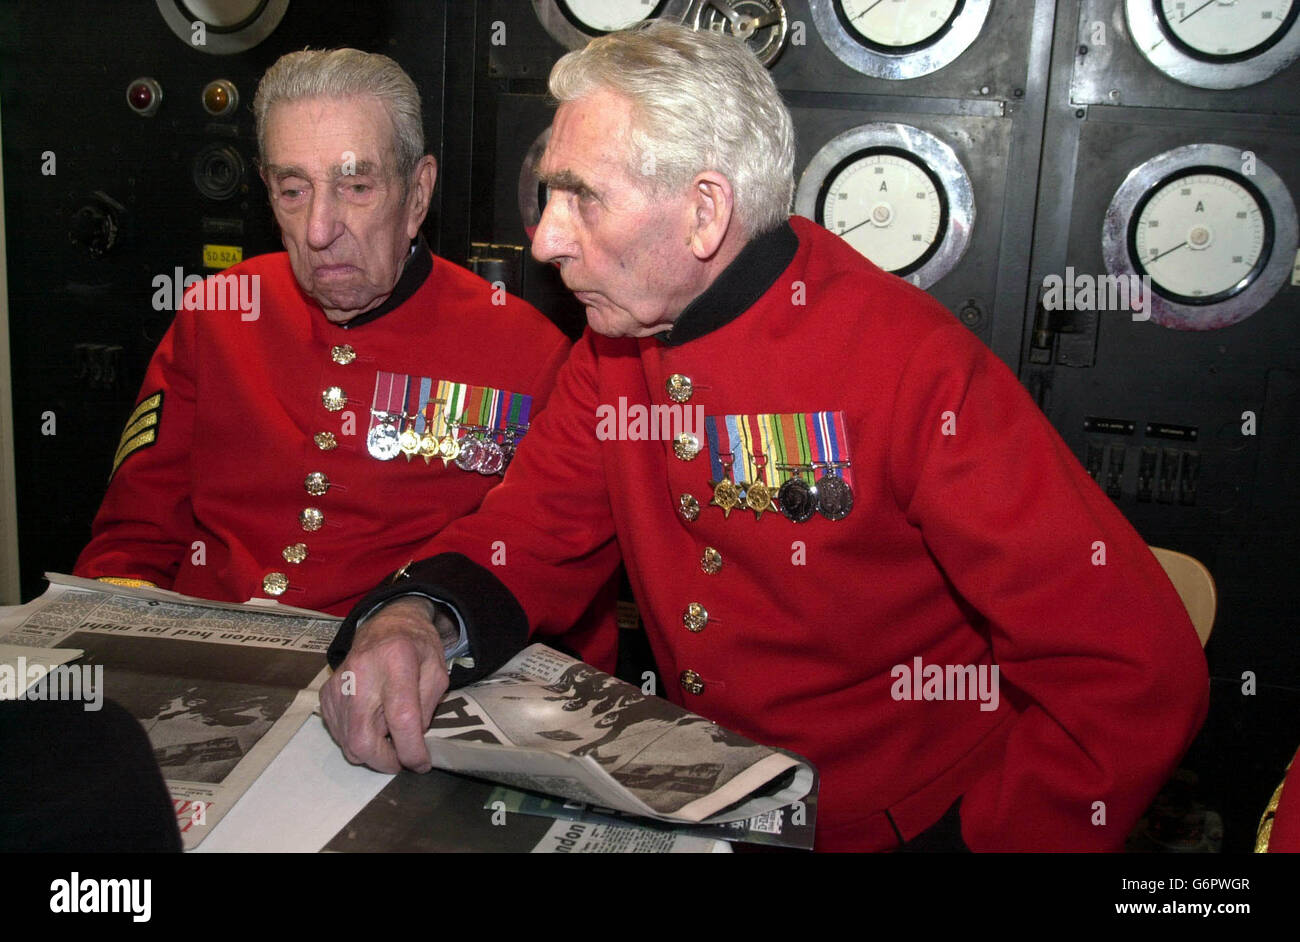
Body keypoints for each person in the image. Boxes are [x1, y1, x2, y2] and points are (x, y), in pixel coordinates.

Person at [320, 23, 1208, 851]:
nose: (545, 238)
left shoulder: (910, 369)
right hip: (698, 797)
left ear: (705, 212)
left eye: (582, 199)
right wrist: (416, 617)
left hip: (889, 823)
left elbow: (1138, 670)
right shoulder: (620, 340)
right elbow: (532, 531)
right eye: (549, 193)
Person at [72, 48, 613, 667]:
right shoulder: (221, 313)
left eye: (356, 187)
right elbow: (133, 539)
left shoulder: (529, 354)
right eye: (293, 189)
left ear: (417, 193)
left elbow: (553, 581)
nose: (318, 228)